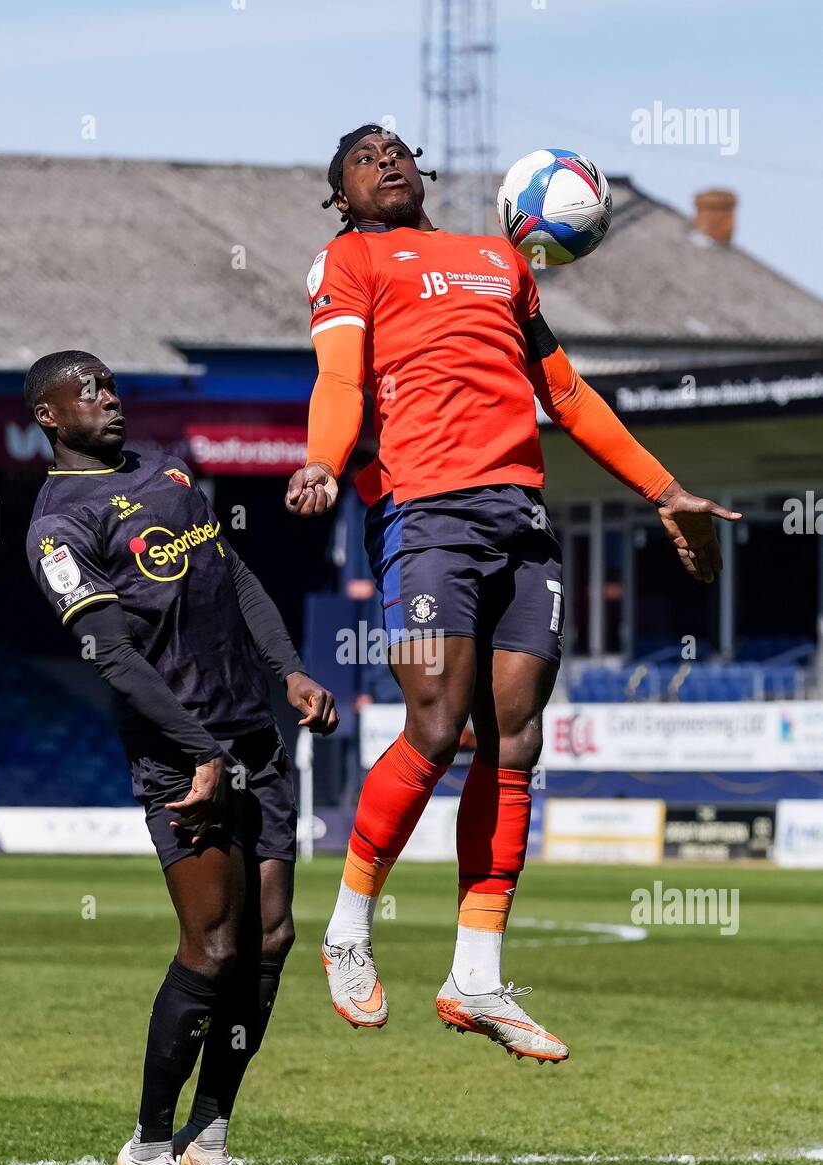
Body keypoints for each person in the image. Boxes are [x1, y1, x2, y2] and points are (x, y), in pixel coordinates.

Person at [286, 123, 739, 1062]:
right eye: (367, 159)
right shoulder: (350, 259)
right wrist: (322, 464)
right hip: (423, 518)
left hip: (521, 525)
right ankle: (348, 927)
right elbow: (339, 377)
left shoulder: (499, 260)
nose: (391, 161)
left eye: (401, 149)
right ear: (341, 196)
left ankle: (476, 979)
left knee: (516, 736)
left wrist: (665, 490)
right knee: (435, 723)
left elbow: (567, 395)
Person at [25, 350, 338, 1165]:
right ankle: (148, 1146)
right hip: (180, 754)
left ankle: (211, 1135)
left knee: (271, 940)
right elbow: (112, 656)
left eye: (113, 387)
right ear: (49, 416)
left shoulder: (169, 475)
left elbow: (236, 578)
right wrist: (198, 748)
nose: (109, 401)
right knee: (211, 947)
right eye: (87, 393)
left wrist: (289, 669)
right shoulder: (57, 526)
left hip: (255, 737)